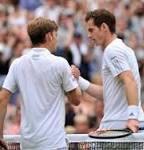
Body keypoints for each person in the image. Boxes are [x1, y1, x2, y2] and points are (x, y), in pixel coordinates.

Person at [0, 17, 82, 150]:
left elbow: (2, 98)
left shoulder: (17, 63)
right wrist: (75, 79)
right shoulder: (60, 63)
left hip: (28, 144)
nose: (56, 40)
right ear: (49, 36)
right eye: (55, 35)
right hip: (54, 144)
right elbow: (76, 100)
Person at [71, 9, 144, 133]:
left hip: (122, 126)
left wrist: (132, 117)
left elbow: (129, 80)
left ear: (104, 27)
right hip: (122, 125)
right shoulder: (121, 48)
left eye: (91, 30)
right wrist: (79, 80)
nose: (89, 35)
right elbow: (107, 94)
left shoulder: (112, 50)